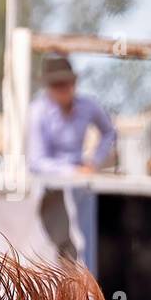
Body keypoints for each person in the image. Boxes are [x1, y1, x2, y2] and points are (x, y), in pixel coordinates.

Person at [27, 54, 116, 269]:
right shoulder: (38, 111)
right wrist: (74, 170)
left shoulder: (88, 105)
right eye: (56, 84)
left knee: (87, 242)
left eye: (65, 83)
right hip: (51, 188)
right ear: (48, 87)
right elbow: (36, 161)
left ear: (74, 83)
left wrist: (93, 161)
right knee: (60, 246)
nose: (62, 88)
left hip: (82, 185)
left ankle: (86, 290)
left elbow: (110, 133)